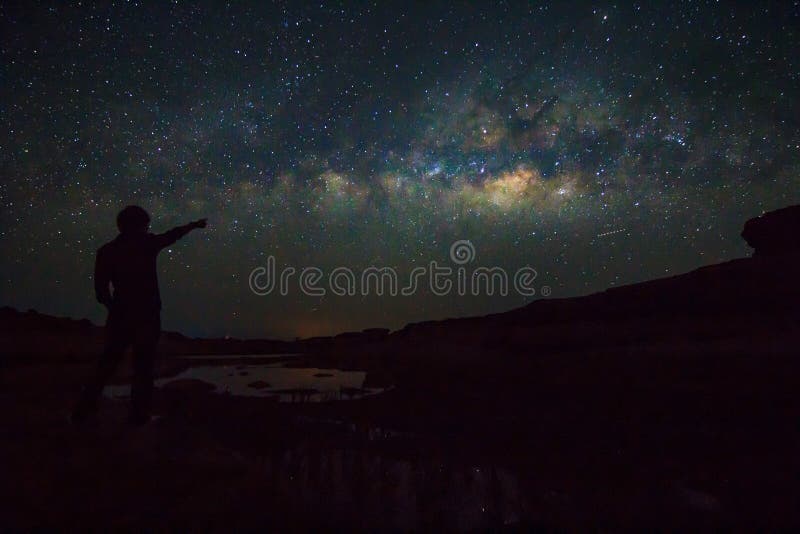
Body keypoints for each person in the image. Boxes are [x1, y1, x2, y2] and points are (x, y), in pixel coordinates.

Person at [71, 205, 207, 425]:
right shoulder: (146, 244)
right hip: (147, 315)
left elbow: (101, 291)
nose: (147, 229)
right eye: (146, 225)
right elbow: (172, 235)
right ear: (140, 225)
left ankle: (83, 411)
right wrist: (193, 225)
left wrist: (114, 308)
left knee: (108, 364)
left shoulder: (107, 251)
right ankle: (138, 417)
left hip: (120, 316)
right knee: (143, 367)